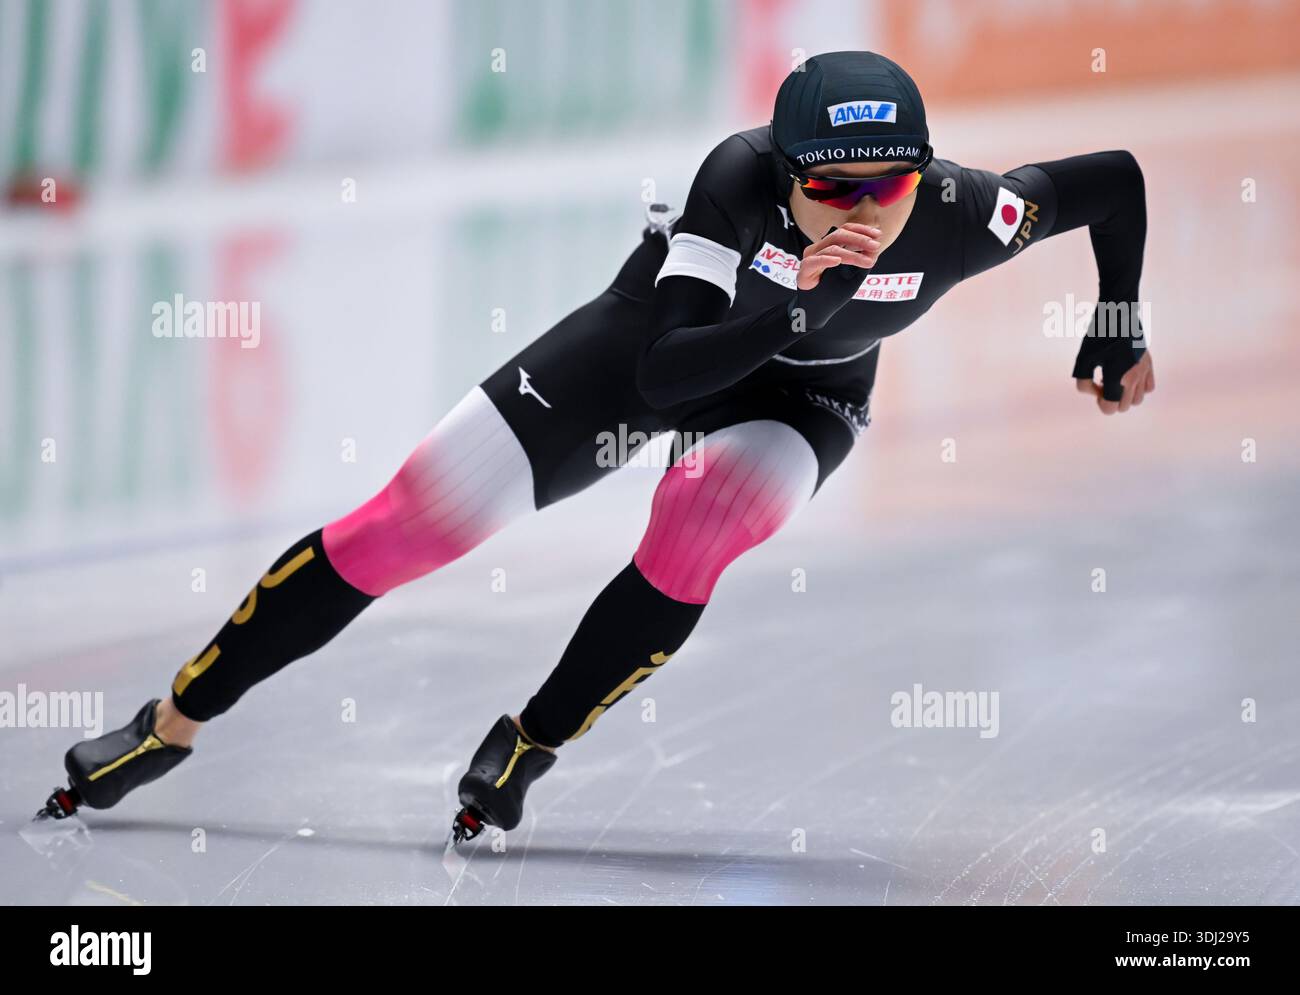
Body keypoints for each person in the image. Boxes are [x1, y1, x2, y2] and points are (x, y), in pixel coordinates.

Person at [41, 52, 1152, 842]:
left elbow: (1113, 180)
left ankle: (530, 739)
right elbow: (669, 370)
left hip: (803, 401)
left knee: (703, 517)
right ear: (785, 174)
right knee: (409, 522)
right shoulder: (737, 179)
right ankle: (173, 720)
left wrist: (1117, 323)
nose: (864, 206)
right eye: (830, 188)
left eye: (889, 185)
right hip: (648, 349)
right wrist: (801, 302)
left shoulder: (968, 213)